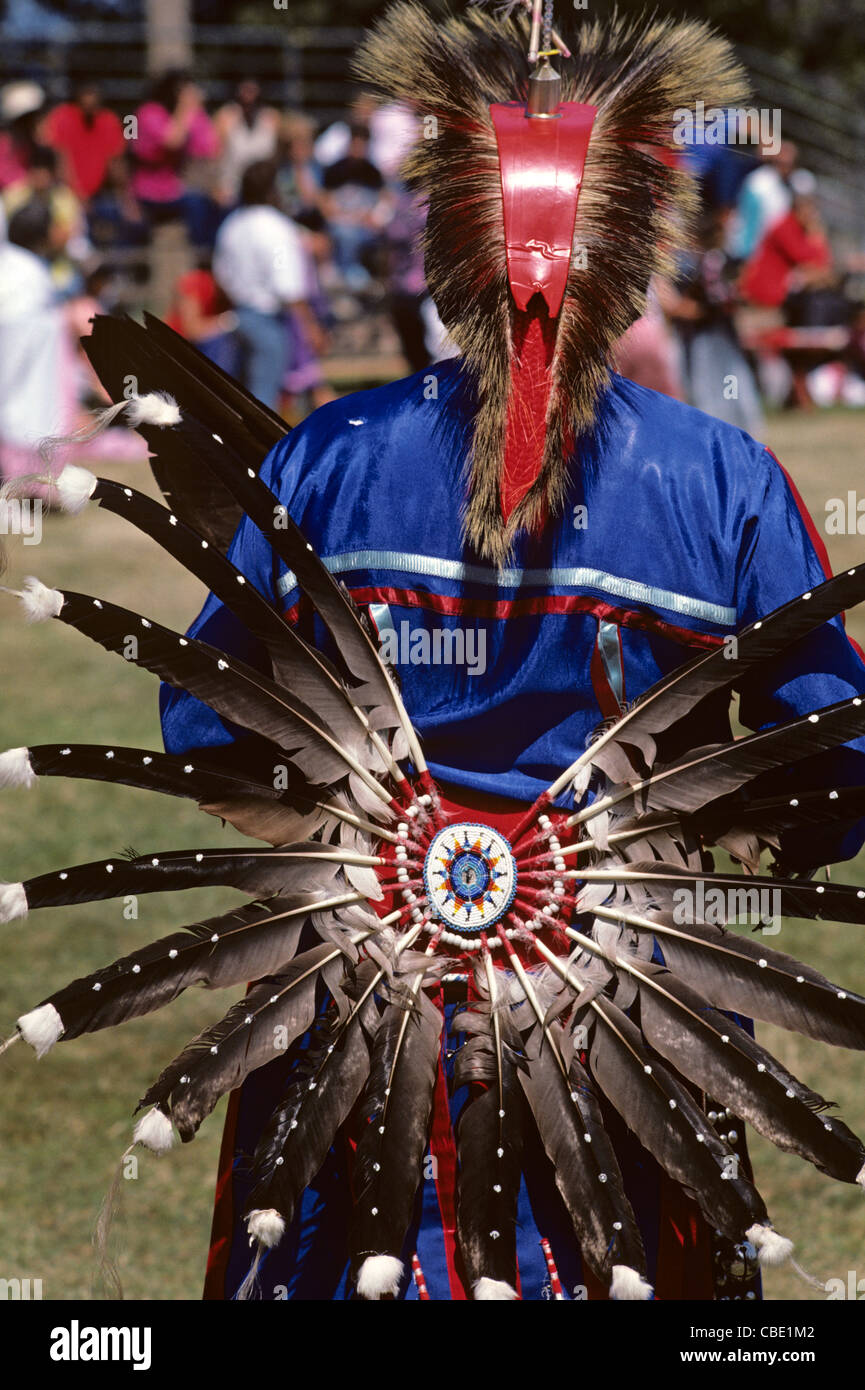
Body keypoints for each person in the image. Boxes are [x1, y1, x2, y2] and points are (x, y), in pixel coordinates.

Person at [156, 9, 865, 1301]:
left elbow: (209, 728)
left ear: (443, 252)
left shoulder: (328, 457)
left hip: (358, 990)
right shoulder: (721, 481)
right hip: (631, 998)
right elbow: (840, 766)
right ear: (637, 257)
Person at [213, 159, 324, 410]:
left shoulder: (231, 225)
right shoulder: (277, 227)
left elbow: (222, 275)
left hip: (236, 316)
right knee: (262, 399)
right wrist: (310, 325)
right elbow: (288, 286)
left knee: (240, 395)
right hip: (267, 321)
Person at [130, 70, 219, 245]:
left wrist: (198, 112)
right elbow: (172, 141)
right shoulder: (147, 113)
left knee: (214, 206)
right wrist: (186, 108)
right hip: (147, 192)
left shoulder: (187, 115)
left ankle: (203, 263)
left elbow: (210, 148)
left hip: (175, 190)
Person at [41, 79, 125, 203]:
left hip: (100, 194)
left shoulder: (109, 120)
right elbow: (61, 160)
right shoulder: (62, 117)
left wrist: (126, 199)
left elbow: (115, 164)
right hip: (66, 194)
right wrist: (77, 194)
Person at [213, 79, 280, 206]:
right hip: (231, 190)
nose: (249, 94)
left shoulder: (271, 117)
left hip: (263, 190)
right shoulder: (225, 116)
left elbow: (274, 157)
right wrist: (217, 187)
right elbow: (216, 155)